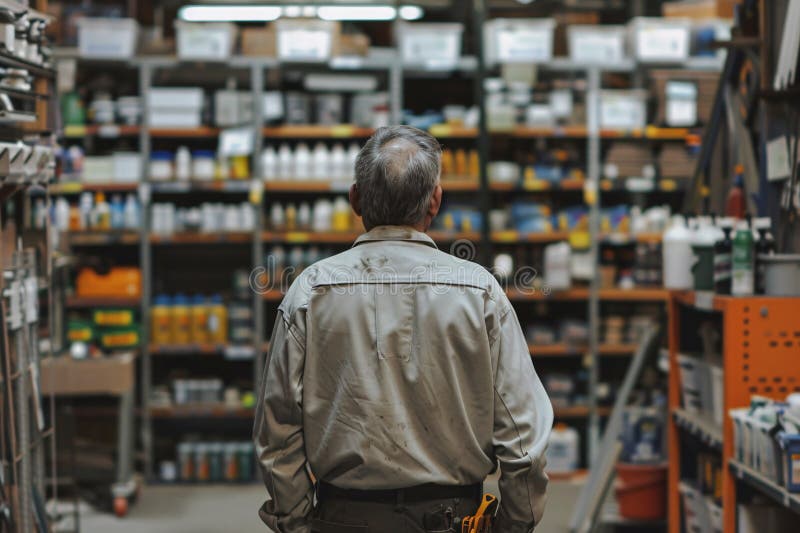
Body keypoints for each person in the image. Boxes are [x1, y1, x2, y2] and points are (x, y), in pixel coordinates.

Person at [254, 125, 553, 533]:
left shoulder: (310, 291)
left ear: (355, 200)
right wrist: (513, 525)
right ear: (435, 202)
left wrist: (298, 523)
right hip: (455, 519)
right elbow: (524, 443)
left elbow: (277, 434)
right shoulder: (480, 293)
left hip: (341, 517)